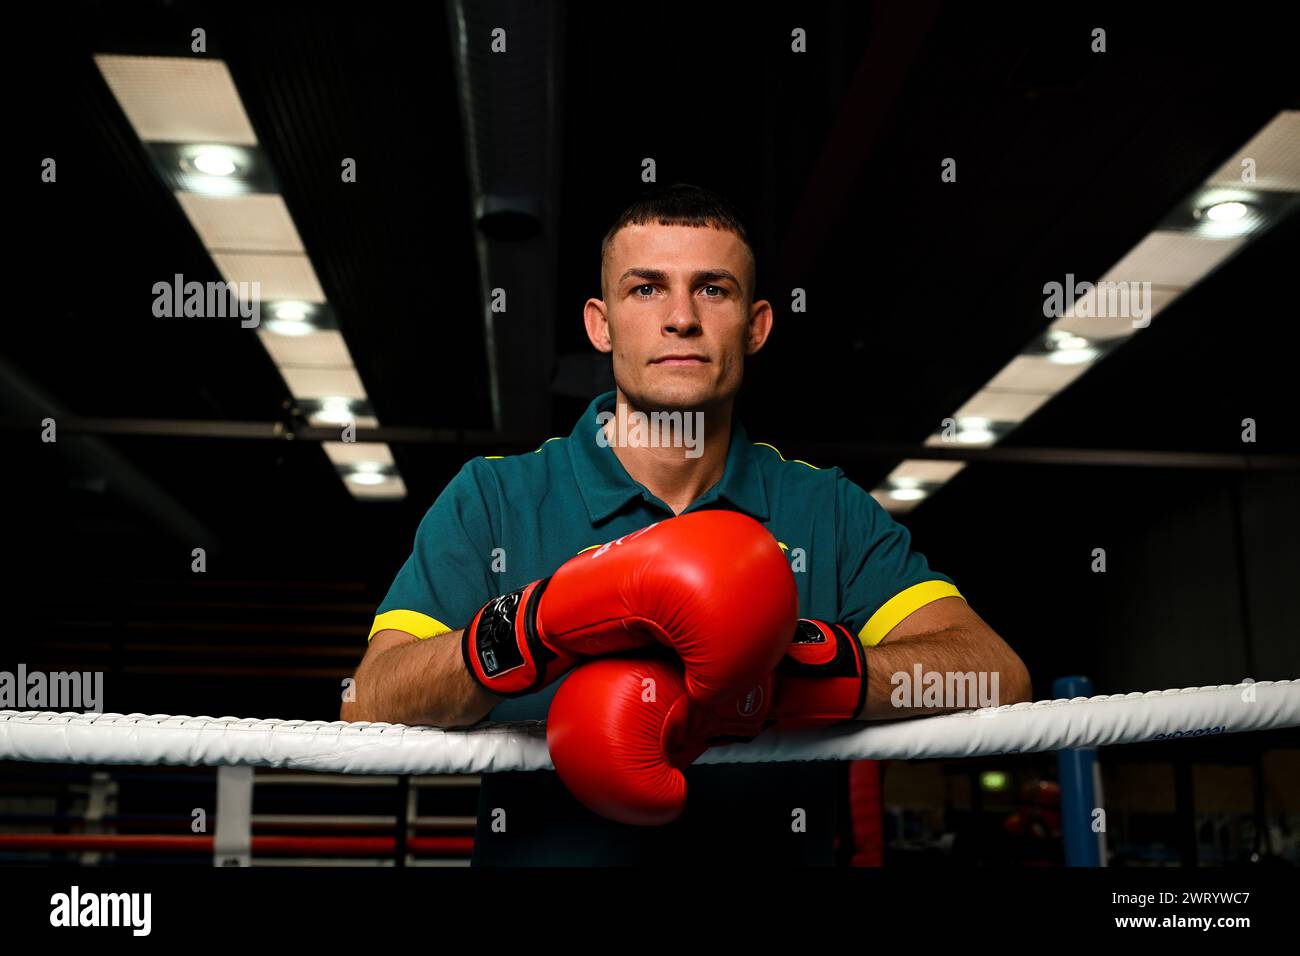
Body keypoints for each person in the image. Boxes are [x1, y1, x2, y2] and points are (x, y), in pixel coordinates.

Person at [341, 182, 1031, 865]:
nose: (680, 318)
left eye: (713, 289)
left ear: (756, 324)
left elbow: (994, 677)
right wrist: (537, 624)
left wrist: (787, 675)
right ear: (599, 322)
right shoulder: (496, 496)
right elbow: (371, 700)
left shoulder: (825, 508)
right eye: (645, 289)